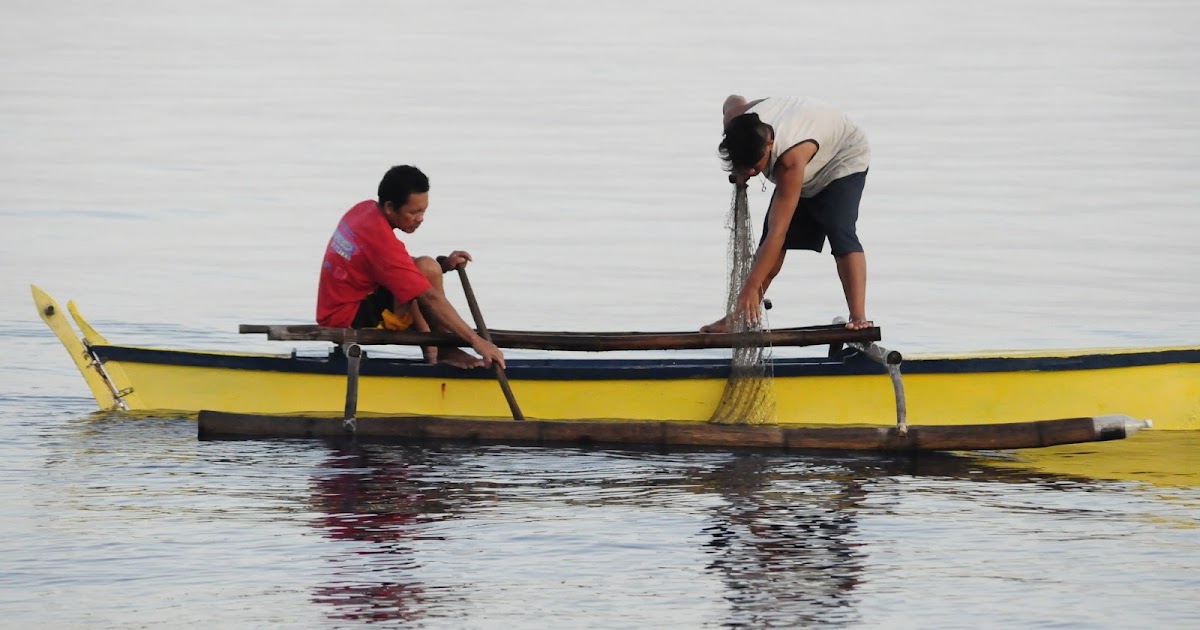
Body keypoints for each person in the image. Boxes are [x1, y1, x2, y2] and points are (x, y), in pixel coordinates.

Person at [702, 94, 872, 332]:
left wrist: (751, 286)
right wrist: (739, 165)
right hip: (809, 138)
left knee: (839, 228)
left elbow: (778, 233)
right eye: (745, 168)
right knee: (767, 249)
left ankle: (858, 318)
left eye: (756, 166)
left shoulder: (788, 161)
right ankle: (739, 318)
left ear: (769, 143)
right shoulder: (736, 120)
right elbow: (732, 101)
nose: (751, 172)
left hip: (842, 157)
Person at [316, 165, 505, 369]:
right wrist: (477, 342)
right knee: (425, 275)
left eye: (424, 210)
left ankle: (434, 352)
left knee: (427, 269)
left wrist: (443, 266)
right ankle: (442, 350)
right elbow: (429, 297)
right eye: (413, 212)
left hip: (343, 304)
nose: (420, 218)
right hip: (347, 319)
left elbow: (391, 264)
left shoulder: (365, 209)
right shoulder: (379, 239)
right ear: (390, 207)